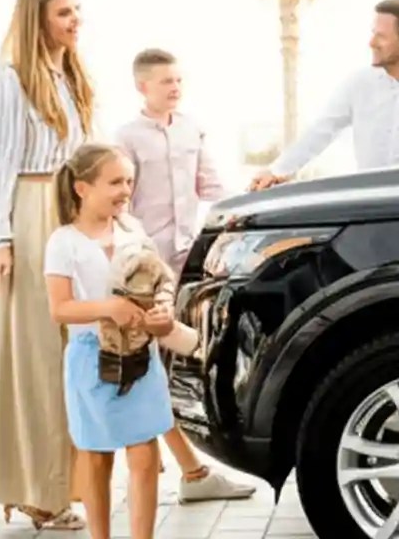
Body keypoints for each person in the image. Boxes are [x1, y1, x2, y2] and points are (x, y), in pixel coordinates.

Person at [0, 0, 99, 530]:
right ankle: (40, 491)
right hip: (31, 214)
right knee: (36, 357)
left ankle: (67, 485)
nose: (75, 20)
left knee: (74, 350)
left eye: (77, 10)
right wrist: (1, 241)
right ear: (38, 18)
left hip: (68, 208)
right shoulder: (14, 80)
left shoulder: (71, 75)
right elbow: (0, 163)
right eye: (63, 13)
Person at [114, 48, 257, 502]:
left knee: (172, 361)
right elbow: (120, 199)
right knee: (151, 362)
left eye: (178, 80)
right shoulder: (126, 137)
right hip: (142, 264)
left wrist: (252, 207)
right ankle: (181, 466)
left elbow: (212, 186)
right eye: (165, 82)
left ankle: (172, 459)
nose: (175, 87)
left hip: (184, 261)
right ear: (143, 86)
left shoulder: (193, 129)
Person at [45, 143, 176, 539]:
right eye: (115, 181)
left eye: (129, 181)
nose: (125, 190)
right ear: (83, 188)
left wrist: (164, 308)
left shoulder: (133, 231)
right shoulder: (64, 242)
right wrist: (108, 308)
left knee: (144, 452)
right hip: (92, 359)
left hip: (140, 355)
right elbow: (60, 309)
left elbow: (161, 280)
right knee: (97, 455)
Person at [248, 0, 399, 190]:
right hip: (367, 207)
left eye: (382, 36)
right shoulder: (358, 85)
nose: (372, 42)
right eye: (373, 33)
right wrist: (276, 170)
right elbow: (322, 130)